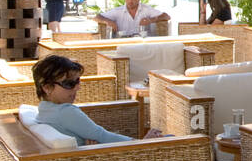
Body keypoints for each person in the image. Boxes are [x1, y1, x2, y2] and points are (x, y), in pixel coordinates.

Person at [32, 55, 162, 145]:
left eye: (77, 81)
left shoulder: (44, 110)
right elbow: (102, 136)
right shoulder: (65, 112)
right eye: (69, 84)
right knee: (170, 139)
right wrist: (143, 142)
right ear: (47, 88)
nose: (78, 88)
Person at [95, 0, 170, 37]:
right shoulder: (118, 11)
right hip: (123, 42)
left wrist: (151, 20)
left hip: (142, 43)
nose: (130, 1)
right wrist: (108, 21)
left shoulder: (146, 9)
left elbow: (166, 16)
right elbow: (97, 17)